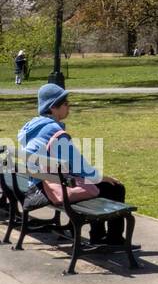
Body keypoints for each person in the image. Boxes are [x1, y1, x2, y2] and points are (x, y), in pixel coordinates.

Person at [19, 84, 130, 246]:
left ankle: (99, 235)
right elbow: (79, 166)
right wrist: (103, 177)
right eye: (65, 103)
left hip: (36, 185)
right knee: (115, 188)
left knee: (97, 184)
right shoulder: (54, 131)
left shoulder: (32, 127)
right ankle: (112, 239)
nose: (68, 106)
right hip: (52, 188)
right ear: (53, 107)